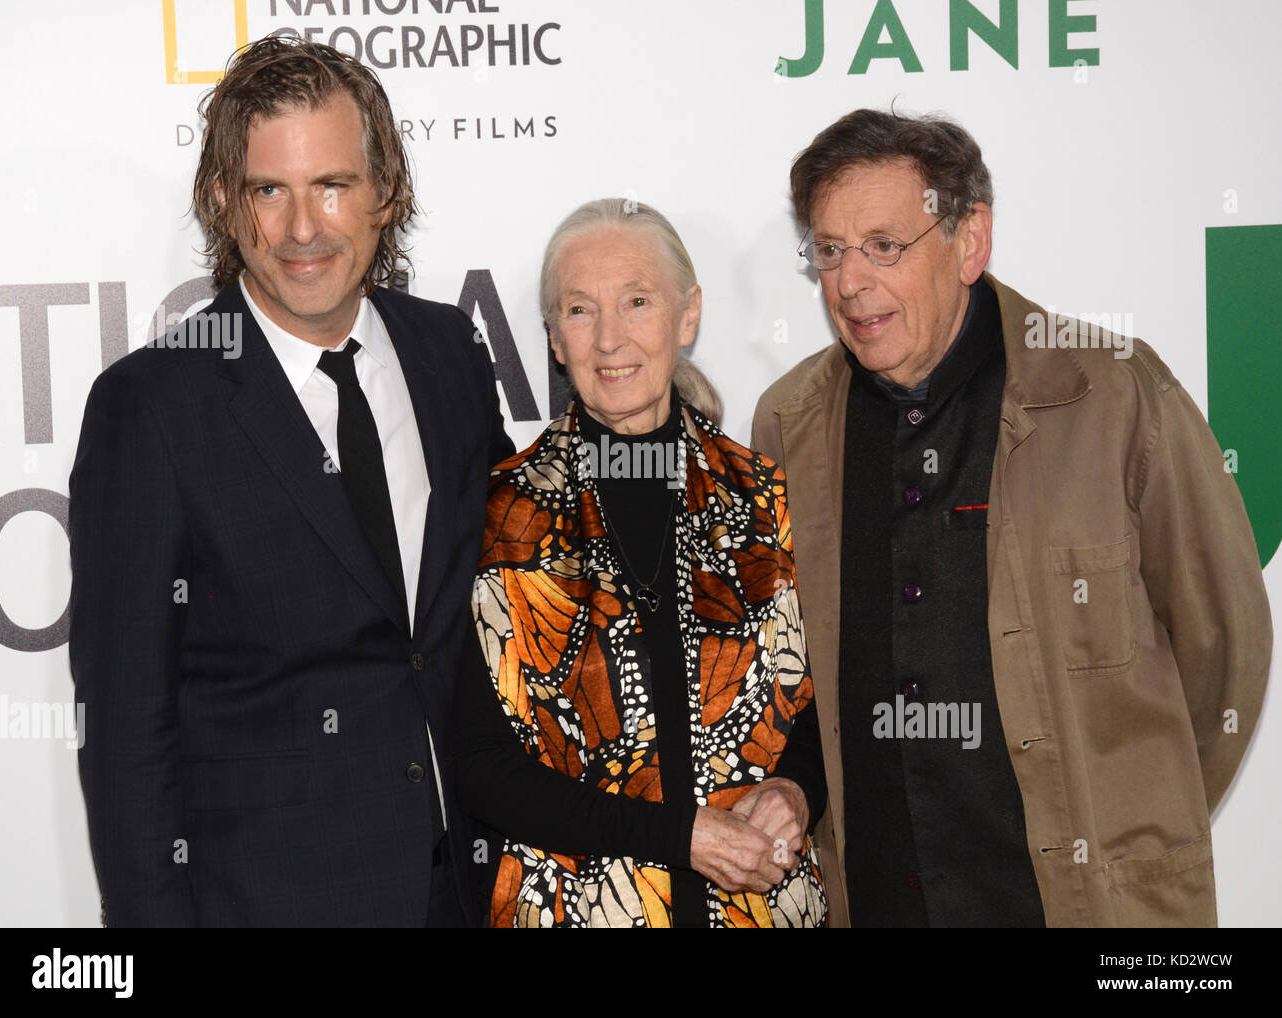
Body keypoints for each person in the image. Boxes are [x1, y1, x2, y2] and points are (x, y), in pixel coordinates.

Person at [751, 109, 1272, 928]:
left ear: (969, 241)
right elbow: (798, 676)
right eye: (829, 250)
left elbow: (1224, 649)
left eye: (884, 245)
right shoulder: (790, 424)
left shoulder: (1115, 394)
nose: (849, 282)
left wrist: (1128, 830)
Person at [68, 36, 512, 926]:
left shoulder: (448, 353)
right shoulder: (151, 407)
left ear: (385, 193)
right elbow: (125, 737)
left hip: (474, 887)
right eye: (270, 190)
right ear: (226, 204)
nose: (303, 229)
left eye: (332, 186)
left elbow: (516, 580)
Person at [454, 198, 827, 927]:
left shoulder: (762, 496)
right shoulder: (498, 518)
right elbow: (483, 770)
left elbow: (821, 701)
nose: (610, 338)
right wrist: (678, 837)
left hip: (767, 909)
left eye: (637, 301)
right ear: (555, 339)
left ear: (687, 317)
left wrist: (797, 791)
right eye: (580, 310)